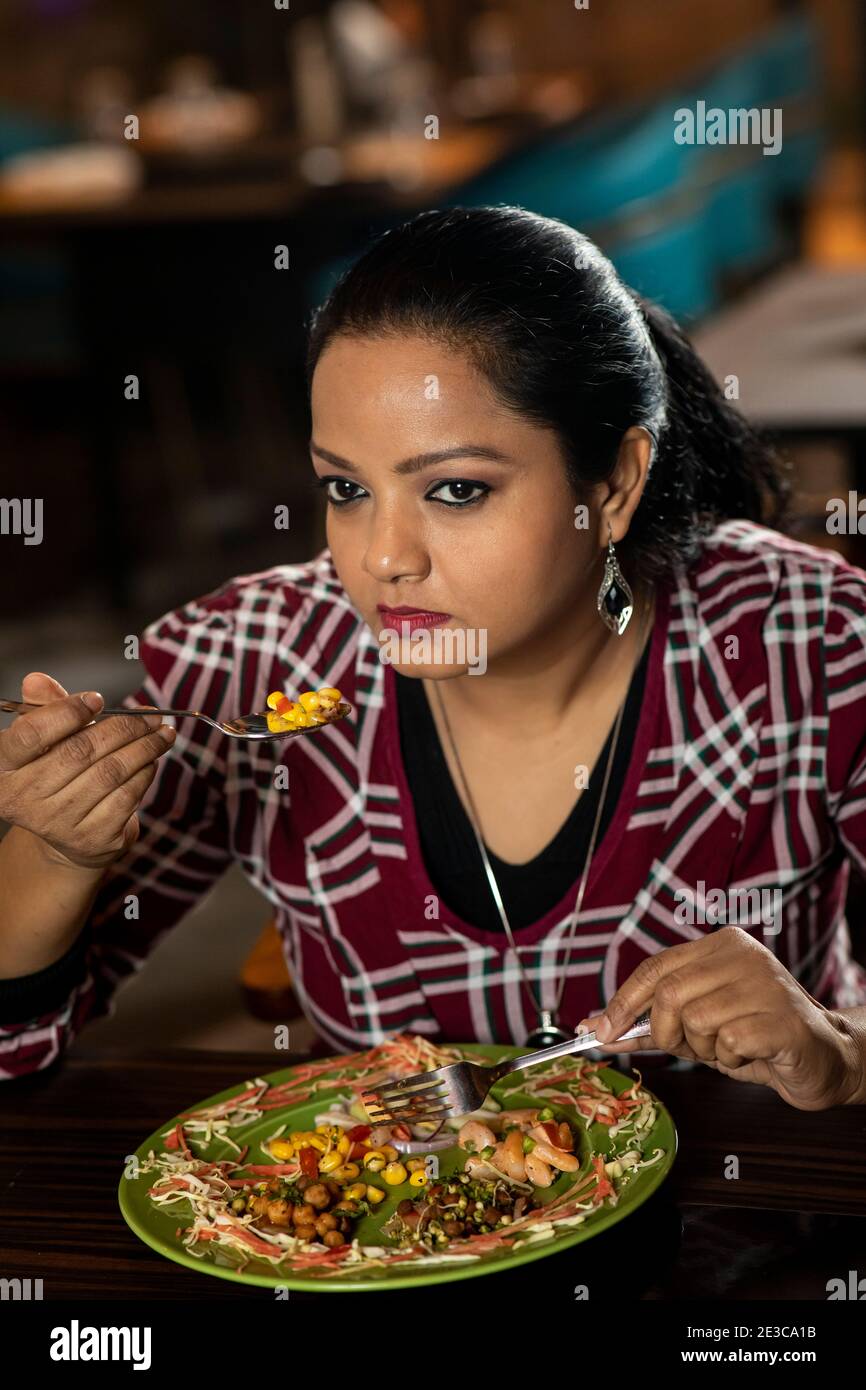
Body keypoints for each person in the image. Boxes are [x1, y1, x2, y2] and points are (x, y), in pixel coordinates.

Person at [1, 204, 865, 1112]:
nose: (382, 559)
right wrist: (56, 853)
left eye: (456, 490)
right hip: (383, 1247)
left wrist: (837, 1049)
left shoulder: (802, 645)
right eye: (346, 489)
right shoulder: (256, 664)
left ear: (612, 485)